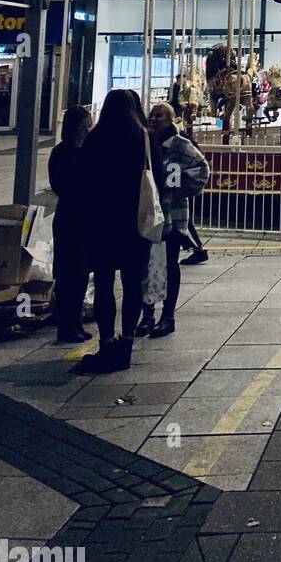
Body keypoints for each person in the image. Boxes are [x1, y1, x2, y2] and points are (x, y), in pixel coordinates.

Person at [73, 88, 166, 374]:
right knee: (132, 283)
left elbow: (83, 181)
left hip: (101, 223)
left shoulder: (96, 139)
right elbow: (158, 178)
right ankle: (126, 344)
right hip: (134, 222)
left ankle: (106, 342)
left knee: (103, 283)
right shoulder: (146, 138)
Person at [135, 103, 210, 338]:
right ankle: (147, 313)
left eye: (159, 115)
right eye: (152, 115)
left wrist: (177, 188)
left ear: (170, 120)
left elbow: (201, 168)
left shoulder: (180, 145)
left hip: (172, 215)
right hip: (149, 214)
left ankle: (168, 315)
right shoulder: (147, 143)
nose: (154, 119)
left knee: (168, 263)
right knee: (147, 265)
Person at [48, 105, 93, 343]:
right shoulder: (62, 153)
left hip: (83, 217)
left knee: (81, 272)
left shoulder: (85, 152)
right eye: (86, 127)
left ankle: (74, 321)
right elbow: (59, 184)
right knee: (68, 273)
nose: (88, 131)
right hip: (69, 218)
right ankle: (66, 324)